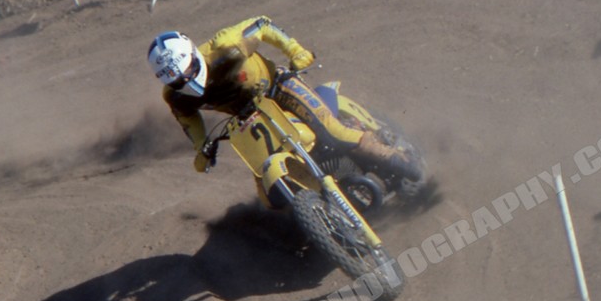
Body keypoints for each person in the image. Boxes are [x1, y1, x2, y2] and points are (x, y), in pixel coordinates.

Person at [148, 17, 422, 181]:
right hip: (248, 117)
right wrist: (201, 148)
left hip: (279, 86)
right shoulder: (175, 97)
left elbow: (262, 24)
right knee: (263, 171)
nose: (186, 82)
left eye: (188, 73)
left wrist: (295, 50)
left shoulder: (226, 46)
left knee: (333, 132)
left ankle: (398, 158)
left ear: (194, 55)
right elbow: (188, 119)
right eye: (177, 81)